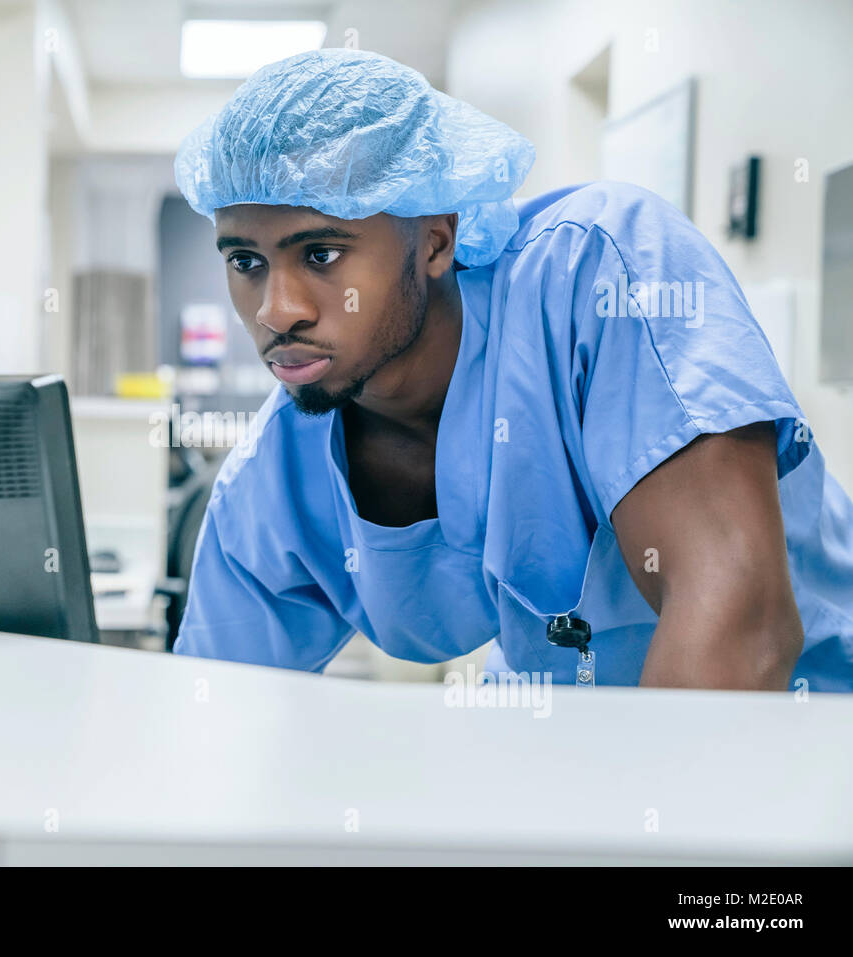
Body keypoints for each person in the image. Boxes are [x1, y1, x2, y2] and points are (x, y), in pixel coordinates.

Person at [169, 48, 853, 691]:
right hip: (565, 746)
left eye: (320, 253)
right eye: (246, 262)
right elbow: (211, 712)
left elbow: (744, 625)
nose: (276, 310)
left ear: (436, 239)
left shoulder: (601, 277)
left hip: (800, 747)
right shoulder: (277, 475)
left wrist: (633, 815)